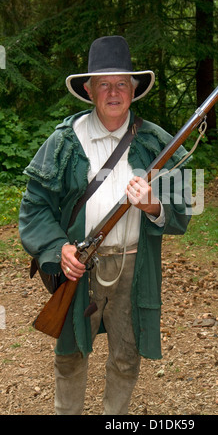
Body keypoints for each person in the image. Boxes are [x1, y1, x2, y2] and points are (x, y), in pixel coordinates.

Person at [19, 36, 191, 415]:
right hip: (79, 265)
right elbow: (33, 207)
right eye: (104, 84)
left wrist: (153, 205)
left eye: (121, 84)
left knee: (127, 356)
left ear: (133, 90)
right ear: (89, 89)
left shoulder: (158, 141)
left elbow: (189, 207)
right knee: (70, 356)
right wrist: (57, 249)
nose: (114, 92)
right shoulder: (63, 141)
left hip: (135, 266)